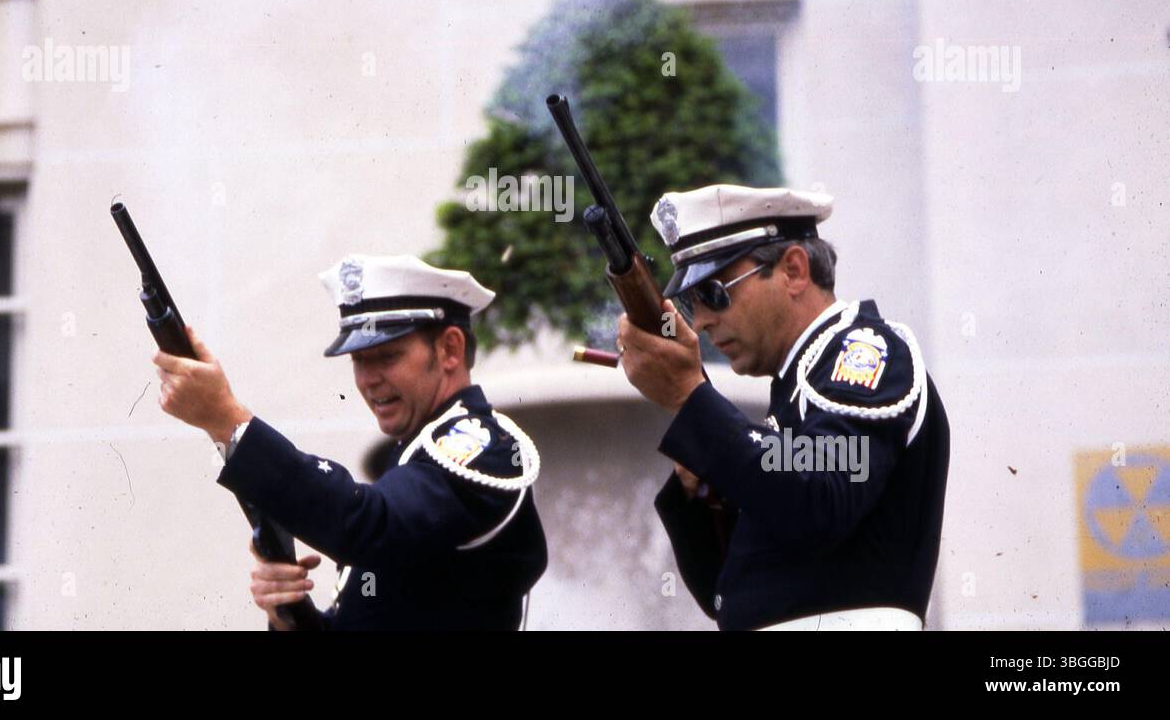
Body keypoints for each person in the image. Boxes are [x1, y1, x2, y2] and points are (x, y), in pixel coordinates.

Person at [616, 184, 949, 630]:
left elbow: (820, 498)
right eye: (691, 304)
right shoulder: (794, 394)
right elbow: (725, 591)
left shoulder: (866, 352)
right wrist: (698, 478)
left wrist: (694, 401)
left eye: (715, 292)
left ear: (793, 269)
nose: (704, 320)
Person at [154, 253, 546, 629]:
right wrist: (287, 614)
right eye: (360, 360)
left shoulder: (480, 447)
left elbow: (366, 523)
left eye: (387, 356)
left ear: (450, 349)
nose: (369, 379)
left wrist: (226, 420)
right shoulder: (416, 462)